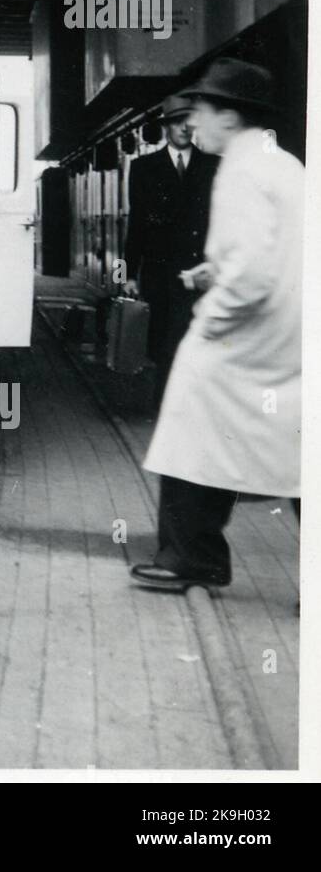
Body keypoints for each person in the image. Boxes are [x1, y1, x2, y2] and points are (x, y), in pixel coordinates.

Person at [131, 59, 302, 592]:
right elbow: (275, 249)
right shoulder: (280, 163)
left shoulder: (240, 171)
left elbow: (251, 273)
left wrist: (210, 321)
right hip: (290, 330)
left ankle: (191, 556)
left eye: (201, 110)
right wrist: (217, 270)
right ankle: (193, 552)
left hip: (256, 333)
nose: (192, 121)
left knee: (189, 418)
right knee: (293, 449)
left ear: (229, 117)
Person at [122, 94, 218, 408]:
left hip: (198, 269)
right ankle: (166, 404)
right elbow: (135, 223)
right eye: (178, 122)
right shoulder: (143, 168)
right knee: (162, 339)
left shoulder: (213, 166)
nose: (185, 128)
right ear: (166, 127)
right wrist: (127, 274)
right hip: (159, 269)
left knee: (194, 337)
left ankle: (186, 404)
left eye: (189, 122)